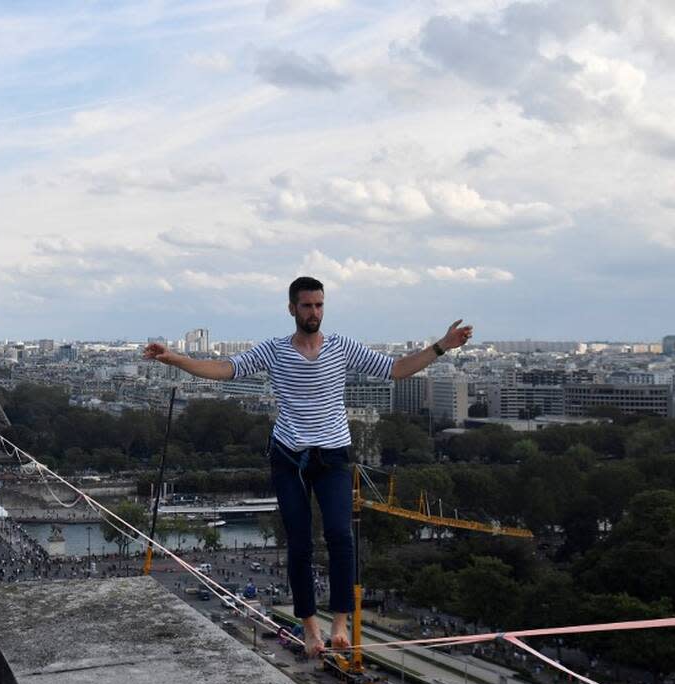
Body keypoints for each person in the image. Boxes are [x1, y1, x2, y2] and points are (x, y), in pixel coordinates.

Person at [143, 275, 471, 657]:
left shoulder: (342, 347)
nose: (314, 312)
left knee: (340, 536)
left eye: (319, 305)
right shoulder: (275, 350)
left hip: (332, 455)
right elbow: (225, 369)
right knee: (298, 543)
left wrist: (441, 347)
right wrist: (176, 359)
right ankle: (311, 627)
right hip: (288, 457)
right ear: (291, 309)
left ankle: (341, 623)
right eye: (307, 306)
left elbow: (395, 369)